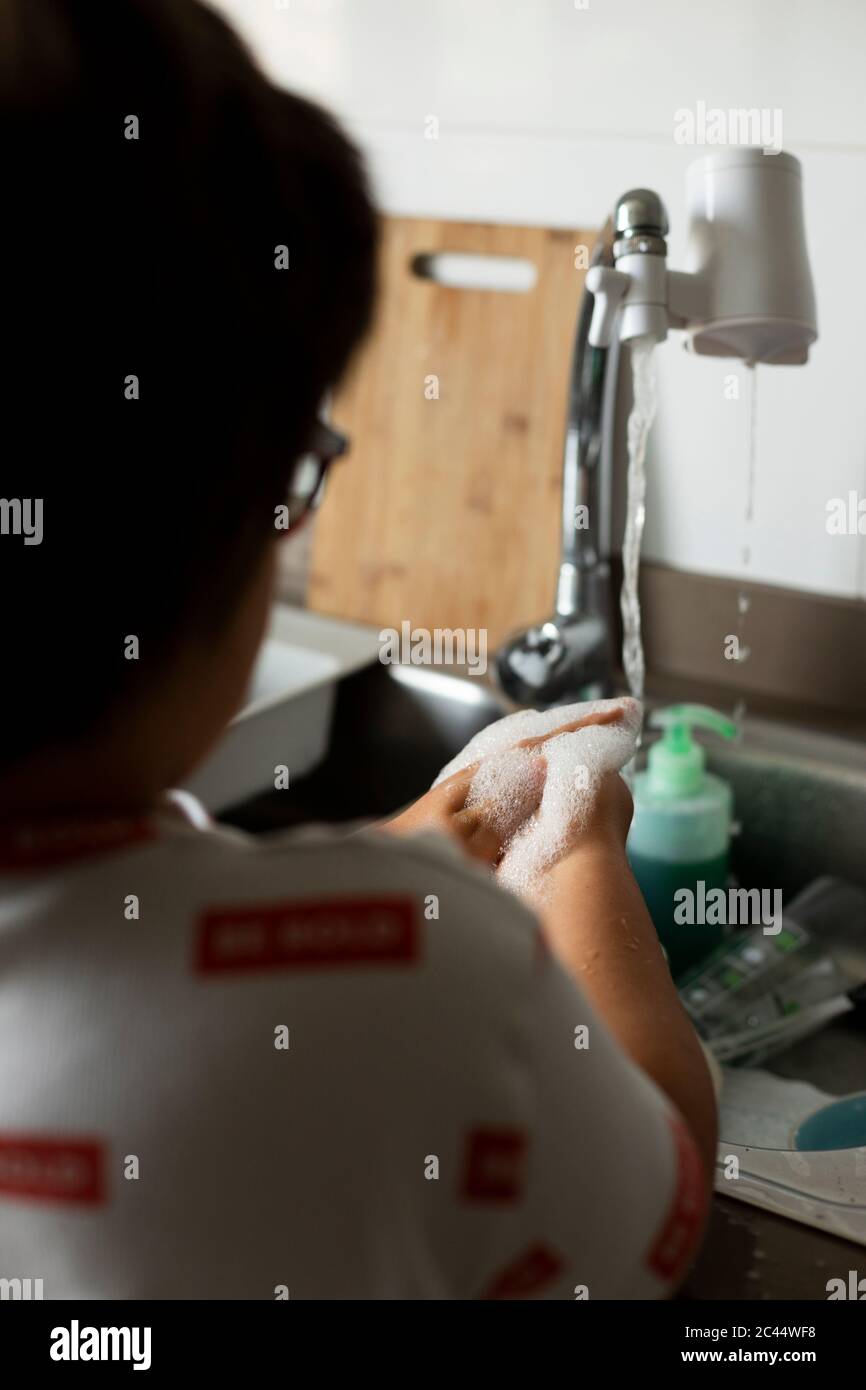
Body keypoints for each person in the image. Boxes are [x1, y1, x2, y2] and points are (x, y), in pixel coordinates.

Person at [0, 0, 716, 1299]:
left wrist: (393, 856)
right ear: (216, 529)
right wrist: (583, 859)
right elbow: (659, 1178)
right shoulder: (423, 980)